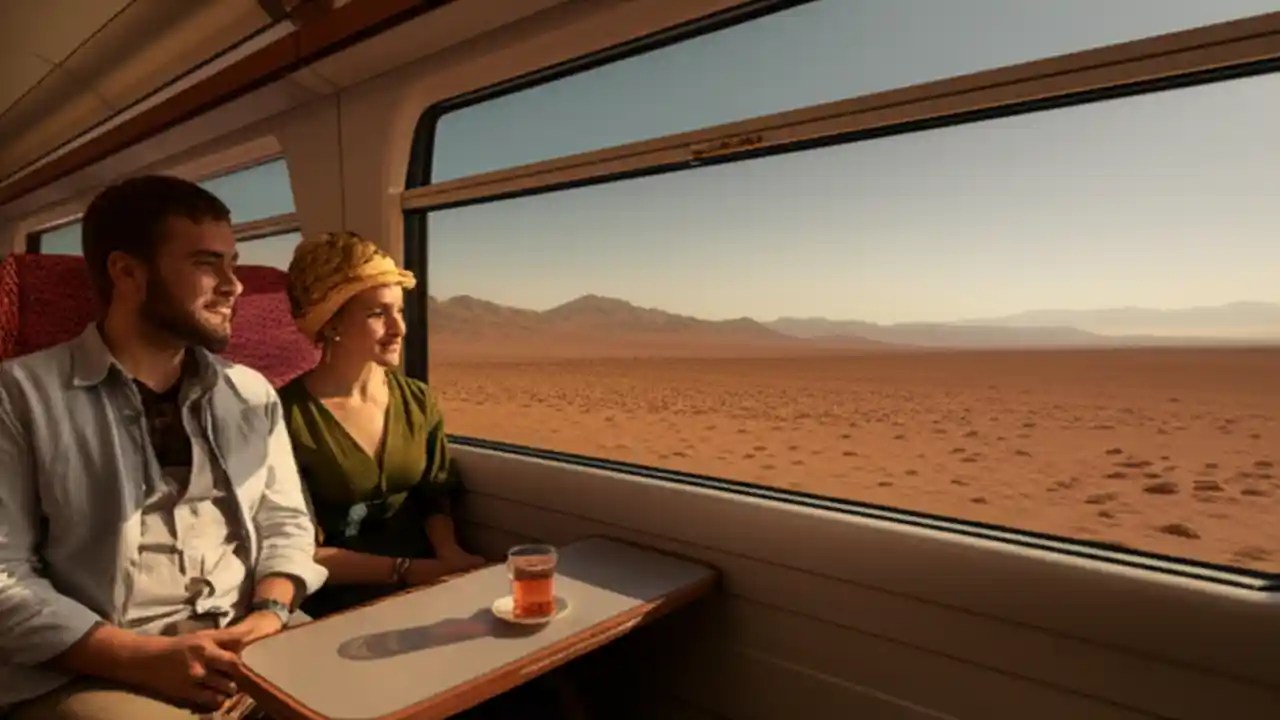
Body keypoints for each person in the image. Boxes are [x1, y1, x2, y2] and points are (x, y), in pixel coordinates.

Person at [0, 175, 328, 719]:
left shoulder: (249, 393)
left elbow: (285, 523)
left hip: (249, 635)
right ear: (127, 272)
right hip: (91, 661)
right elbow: (4, 573)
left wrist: (268, 614)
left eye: (233, 262)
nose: (234, 285)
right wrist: (139, 657)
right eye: (207, 263)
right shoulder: (20, 397)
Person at [279, 231, 485, 618]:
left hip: (428, 580)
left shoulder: (417, 400)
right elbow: (296, 549)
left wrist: (450, 555)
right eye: (378, 314)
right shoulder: (286, 417)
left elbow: (434, 492)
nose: (399, 329)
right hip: (337, 598)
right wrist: (408, 572)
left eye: (400, 311)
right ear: (331, 324)